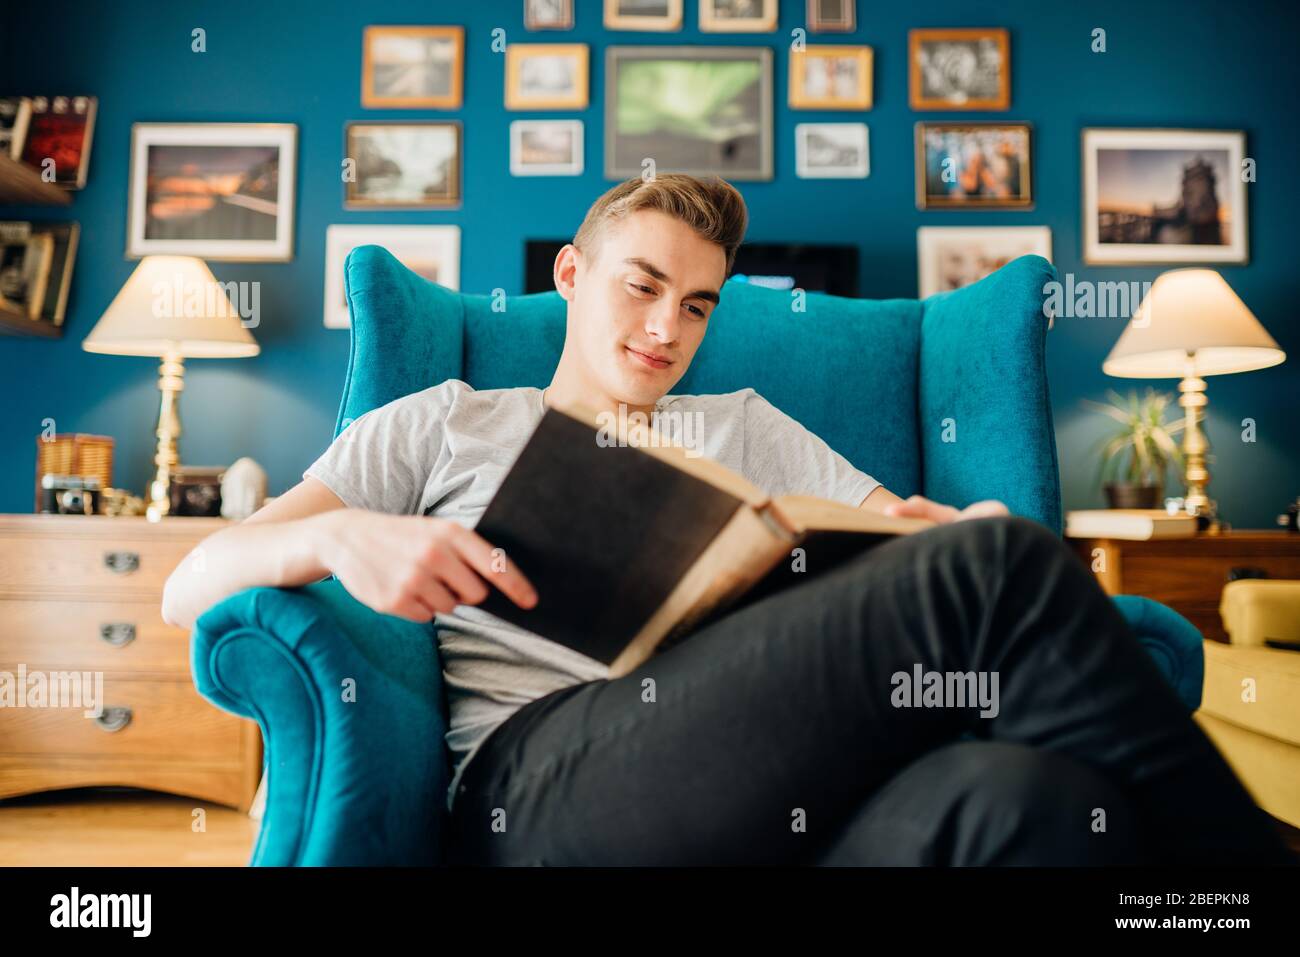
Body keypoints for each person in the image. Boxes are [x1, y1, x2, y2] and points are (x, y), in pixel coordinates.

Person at [162, 174, 1293, 867]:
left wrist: (949, 532)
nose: (666, 328)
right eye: (641, 286)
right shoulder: (448, 420)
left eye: (697, 304)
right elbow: (190, 583)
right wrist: (338, 535)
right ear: (570, 272)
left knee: (1028, 804)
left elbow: (897, 539)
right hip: (542, 785)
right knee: (992, 566)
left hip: (788, 785)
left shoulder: (744, 424)